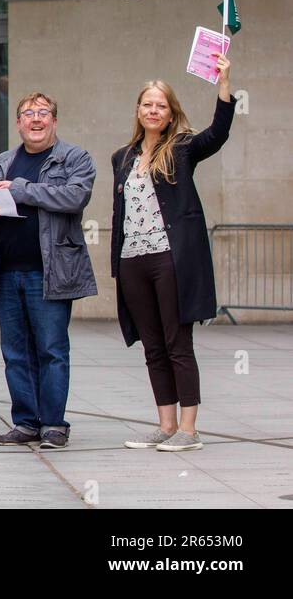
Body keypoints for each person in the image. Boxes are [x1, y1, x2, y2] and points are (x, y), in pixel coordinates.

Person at [112, 57, 234, 452]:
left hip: (171, 259)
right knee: (151, 345)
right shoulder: (123, 157)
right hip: (133, 259)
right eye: (147, 104)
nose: (153, 110)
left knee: (177, 342)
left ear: (170, 113)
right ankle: (165, 425)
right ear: (138, 110)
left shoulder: (181, 148)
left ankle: (189, 430)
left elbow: (217, 133)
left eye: (160, 105)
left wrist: (224, 83)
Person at [0, 91, 97, 449]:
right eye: (28, 113)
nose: (36, 119)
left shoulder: (74, 158)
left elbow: (74, 197)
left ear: (54, 121)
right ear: (18, 123)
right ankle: (25, 422)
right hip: (7, 272)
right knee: (15, 353)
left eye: (43, 112)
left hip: (51, 271)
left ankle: (54, 425)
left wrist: (22, 189)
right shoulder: (2, 162)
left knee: (51, 350)